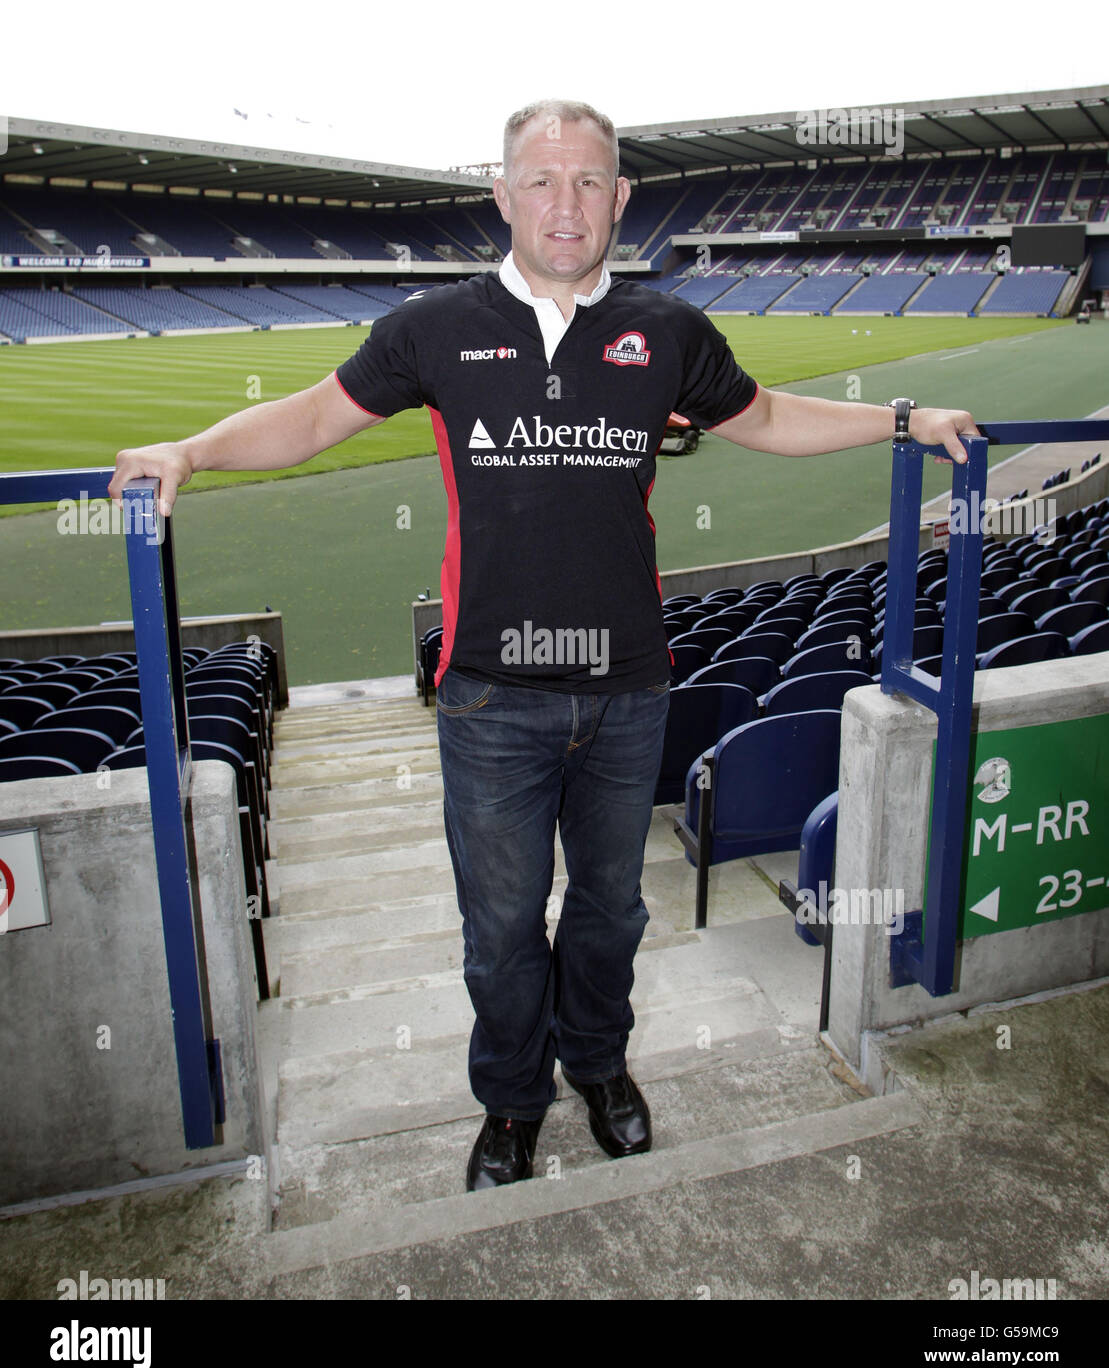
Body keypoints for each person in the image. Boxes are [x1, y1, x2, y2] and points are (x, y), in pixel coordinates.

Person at [109, 98, 980, 1193]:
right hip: (488, 698)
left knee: (611, 912)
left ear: (619, 199)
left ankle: (600, 1069)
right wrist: (190, 450)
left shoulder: (666, 332)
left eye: (588, 182)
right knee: (500, 930)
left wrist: (902, 417)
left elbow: (766, 417)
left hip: (629, 691)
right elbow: (314, 418)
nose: (564, 204)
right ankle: (511, 1104)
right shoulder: (434, 326)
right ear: (502, 195)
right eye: (541, 180)